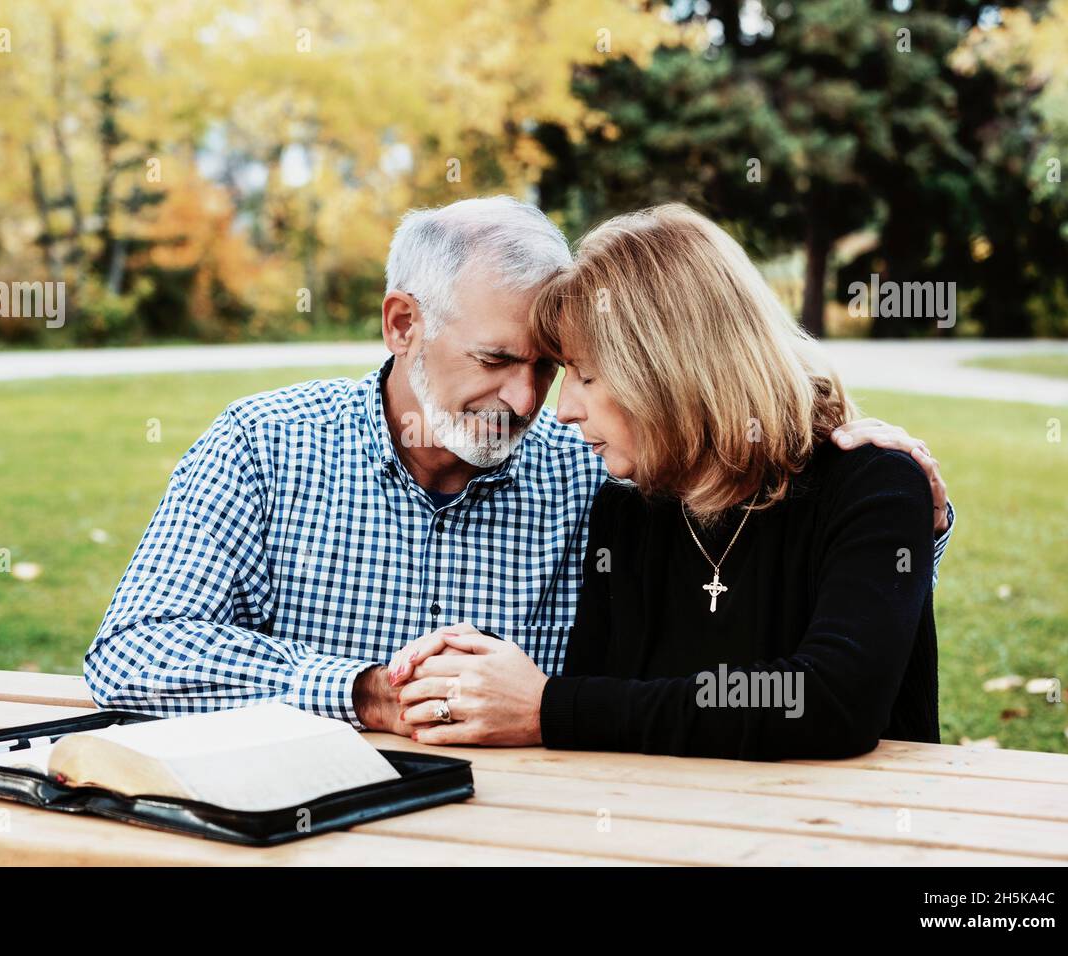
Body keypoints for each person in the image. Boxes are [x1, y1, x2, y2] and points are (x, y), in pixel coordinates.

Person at [86, 196, 954, 745]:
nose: (533, 399)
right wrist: (360, 694)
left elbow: (792, 637)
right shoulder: (265, 445)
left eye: (555, 366)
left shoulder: (601, 476)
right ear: (401, 324)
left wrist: (896, 508)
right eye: (499, 357)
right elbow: (132, 652)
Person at [388, 202, 950, 759]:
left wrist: (551, 707)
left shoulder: (873, 481)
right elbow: (608, 715)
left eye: (583, 375)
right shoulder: (628, 511)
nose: (560, 409)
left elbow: (828, 699)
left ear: (664, 371)